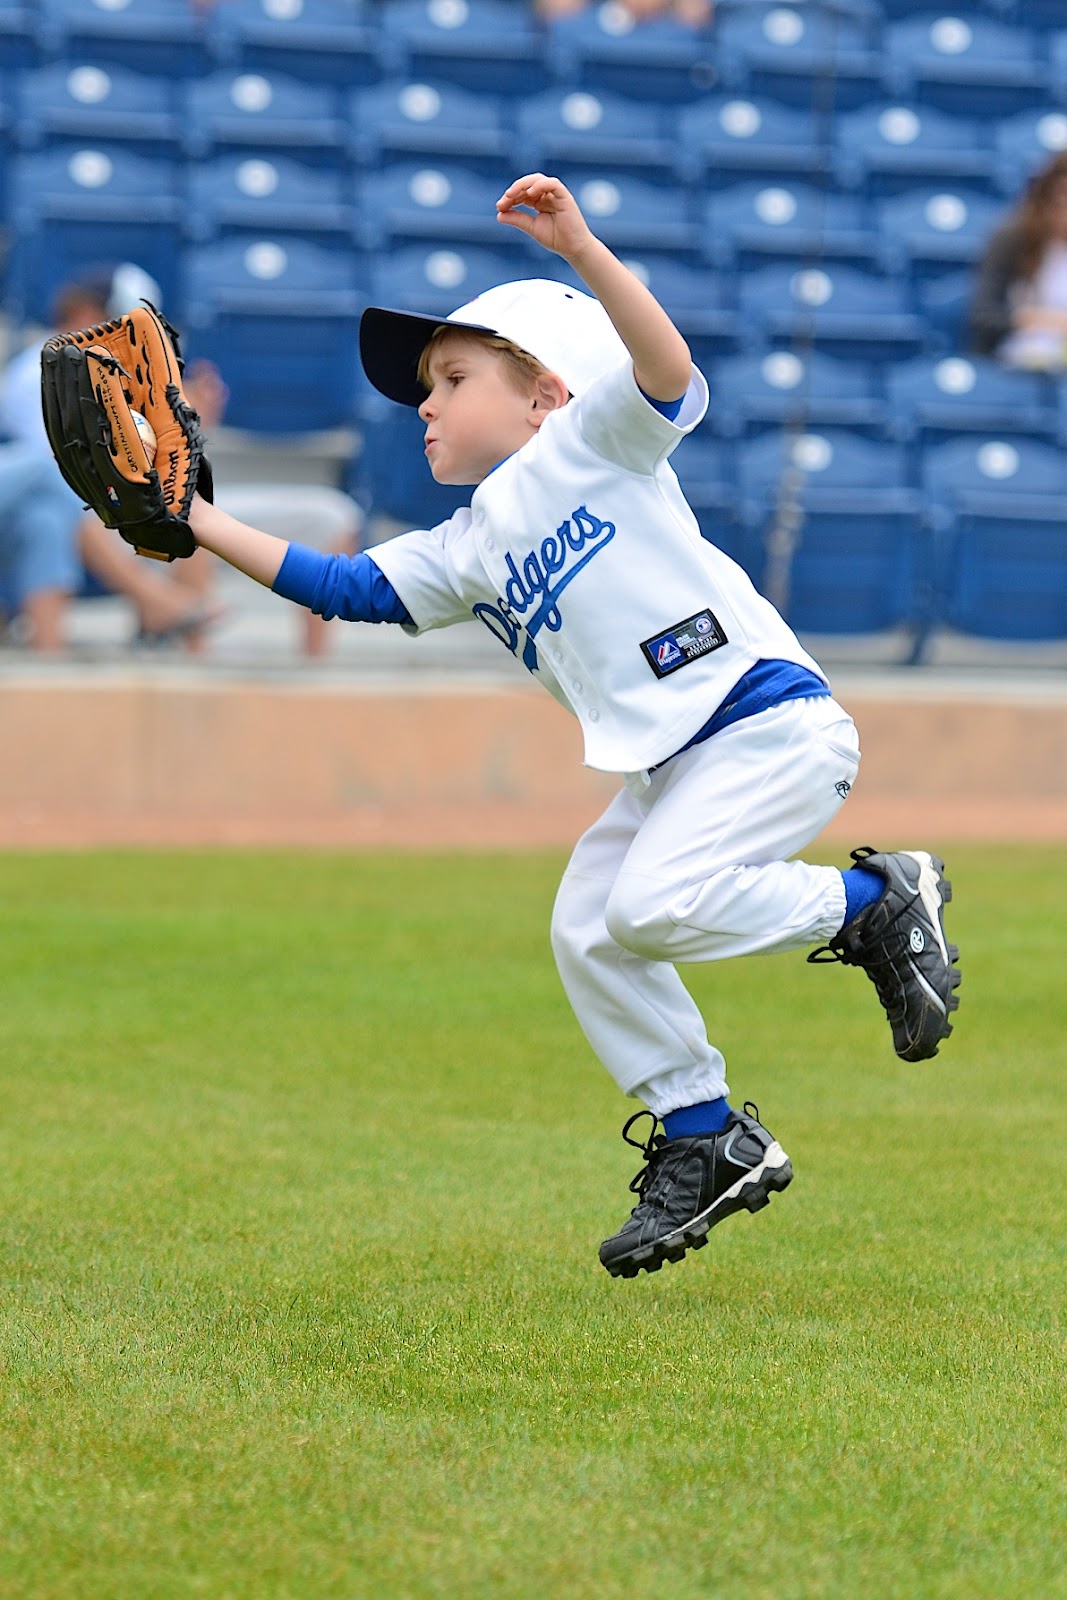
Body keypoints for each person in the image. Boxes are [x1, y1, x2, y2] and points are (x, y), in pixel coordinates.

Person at [185, 173, 961, 1278]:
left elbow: (665, 371)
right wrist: (193, 514)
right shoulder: (463, 543)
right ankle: (703, 1136)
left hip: (766, 723)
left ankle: (875, 900)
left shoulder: (591, 440)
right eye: (428, 387)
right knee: (587, 930)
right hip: (668, 769)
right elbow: (341, 586)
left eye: (452, 377)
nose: (428, 402)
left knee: (647, 906)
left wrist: (584, 254)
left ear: (547, 393)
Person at [0, 266, 220, 649]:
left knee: (48, 521)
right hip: (66, 504)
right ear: (85, 313)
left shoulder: (108, 376)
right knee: (48, 469)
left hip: (55, 511)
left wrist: (189, 429)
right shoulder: (41, 368)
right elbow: (67, 465)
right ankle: (154, 600)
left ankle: (51, 668)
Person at [970, 150, 1067, 370]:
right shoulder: (1012, 238)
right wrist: (1033, 319)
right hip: (1011, 366)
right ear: (1045, 199)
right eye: (1062, 199)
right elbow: (982, 316)